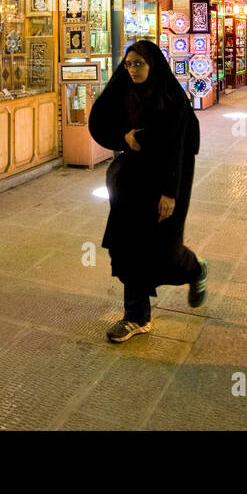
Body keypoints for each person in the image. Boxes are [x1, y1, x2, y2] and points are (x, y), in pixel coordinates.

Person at [88, 40, 206, 343]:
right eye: (128, 64)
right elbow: (100, 124)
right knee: (128, 247)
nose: (132, 69)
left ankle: (193, 270)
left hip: (165, 182)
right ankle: (136, 316)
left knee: (165, 253)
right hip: (131, 184)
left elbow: (179, 150)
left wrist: (170, 193)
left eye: (138, 63)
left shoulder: (170, 98)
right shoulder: (124, 91)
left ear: (153, 64)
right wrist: (123, 138)